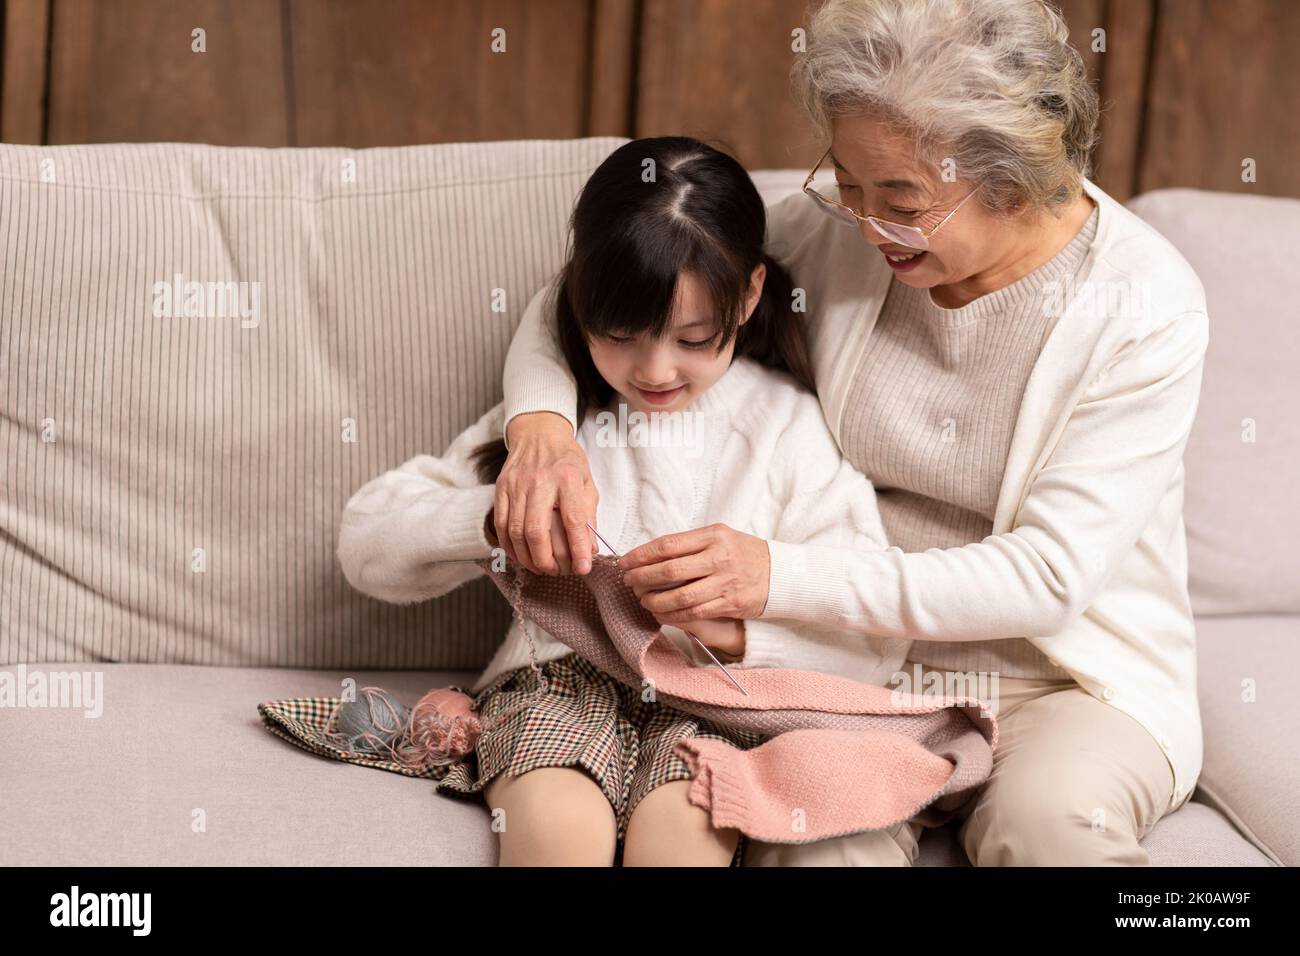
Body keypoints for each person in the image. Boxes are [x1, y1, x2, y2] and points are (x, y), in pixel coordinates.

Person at [493, 0, 1209, 865]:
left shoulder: (1143, 305)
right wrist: (542, 428)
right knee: (820, 849)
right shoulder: (848, 234)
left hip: (1061, 682)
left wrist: (776, 577)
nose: (865, 223)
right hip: (853, 674)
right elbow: (608, 283)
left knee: (1050, 835)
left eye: (900, 200)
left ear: (1014, 180)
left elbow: (1048, 577)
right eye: (848, 181)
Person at [337, 136, 910, 866]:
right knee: (557, 830)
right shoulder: (550, 420)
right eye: (619, 335)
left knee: (682, 835)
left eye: (694, 338)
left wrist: (735, 631)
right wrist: (490, 519)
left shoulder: (787, 428)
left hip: (711, 698)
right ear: (580, 307)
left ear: (752, 295)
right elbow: (365, 544)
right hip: (555, 684)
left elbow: (876, 644)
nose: (655, 368)